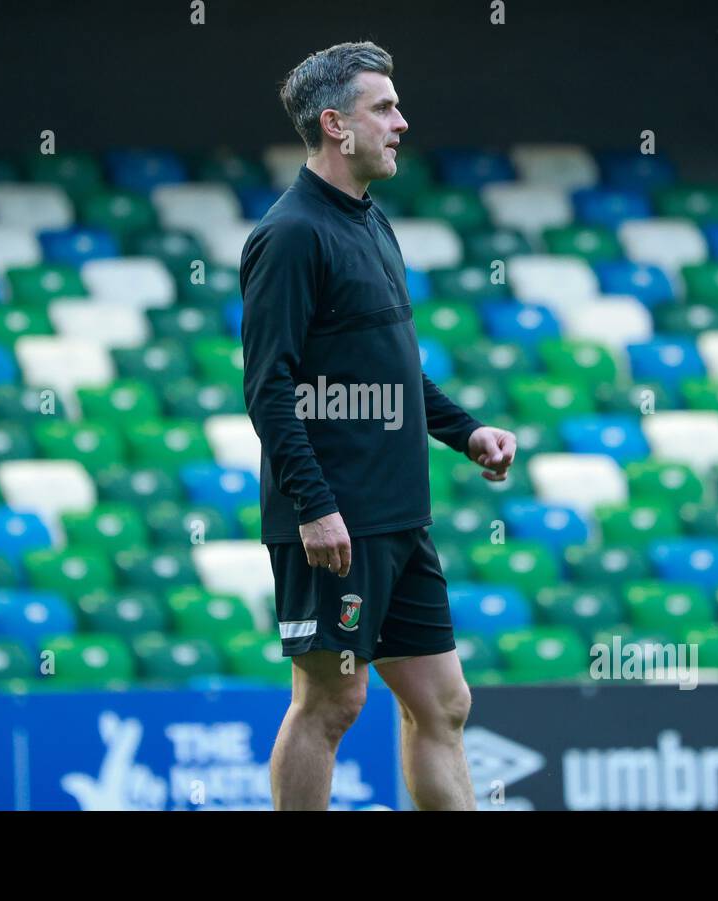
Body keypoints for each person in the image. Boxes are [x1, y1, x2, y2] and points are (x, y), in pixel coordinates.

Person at [239, 41, 517, 811]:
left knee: (443, 703)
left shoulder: (370, 220)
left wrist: (466, 433)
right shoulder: (291, 234)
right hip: (335, 520)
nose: (401, 121)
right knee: (330, 704)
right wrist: (315, 506)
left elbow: (390, 370)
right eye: (383, 108)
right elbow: (269, 390)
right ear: (336, 125)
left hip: (400, 518)